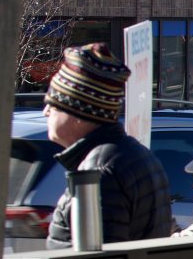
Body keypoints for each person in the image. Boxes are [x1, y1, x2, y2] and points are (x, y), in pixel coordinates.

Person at [43, 42, 172, 246]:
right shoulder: (130, 155)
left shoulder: (100, 171)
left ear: (78, 112)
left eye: (53, 104)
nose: (46, 112)